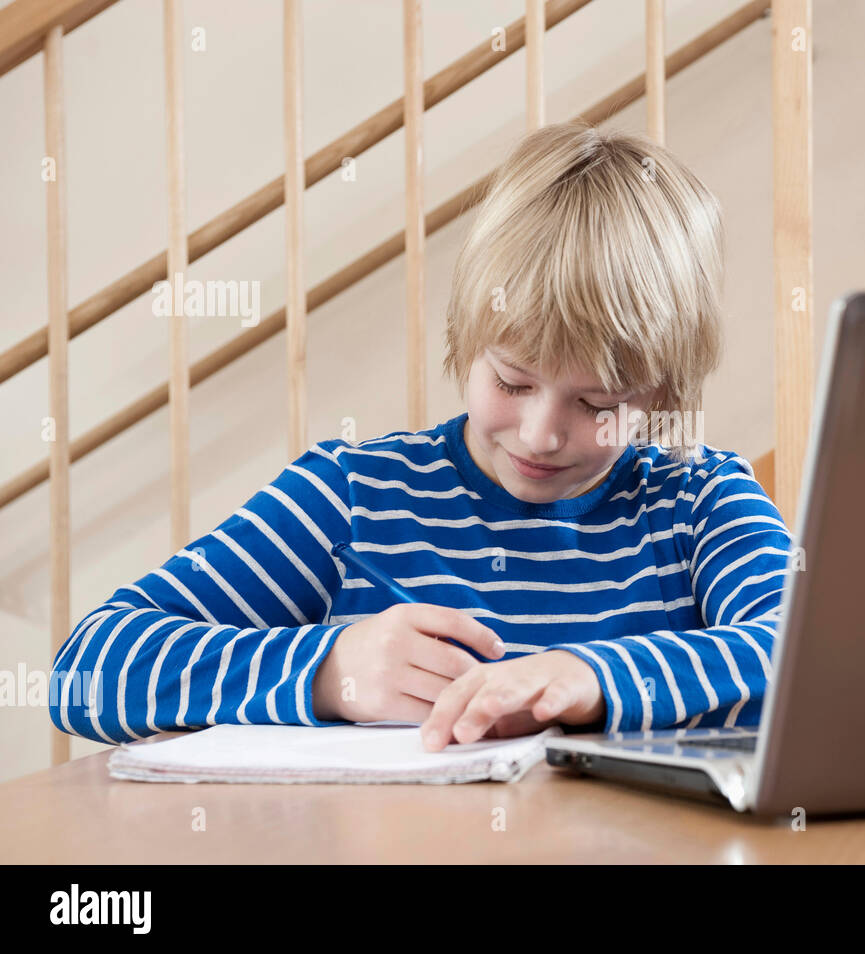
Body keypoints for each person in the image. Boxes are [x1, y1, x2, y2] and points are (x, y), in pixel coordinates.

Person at [50, 121, 792, 753]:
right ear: (468, 338)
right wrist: (327, 669)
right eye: (511, 382)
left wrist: (595, 680)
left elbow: (817, 657)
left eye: (596, 402)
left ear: (661, 393)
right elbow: (89, 667)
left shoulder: (698, 500)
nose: (540, 433)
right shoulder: (354, 497)